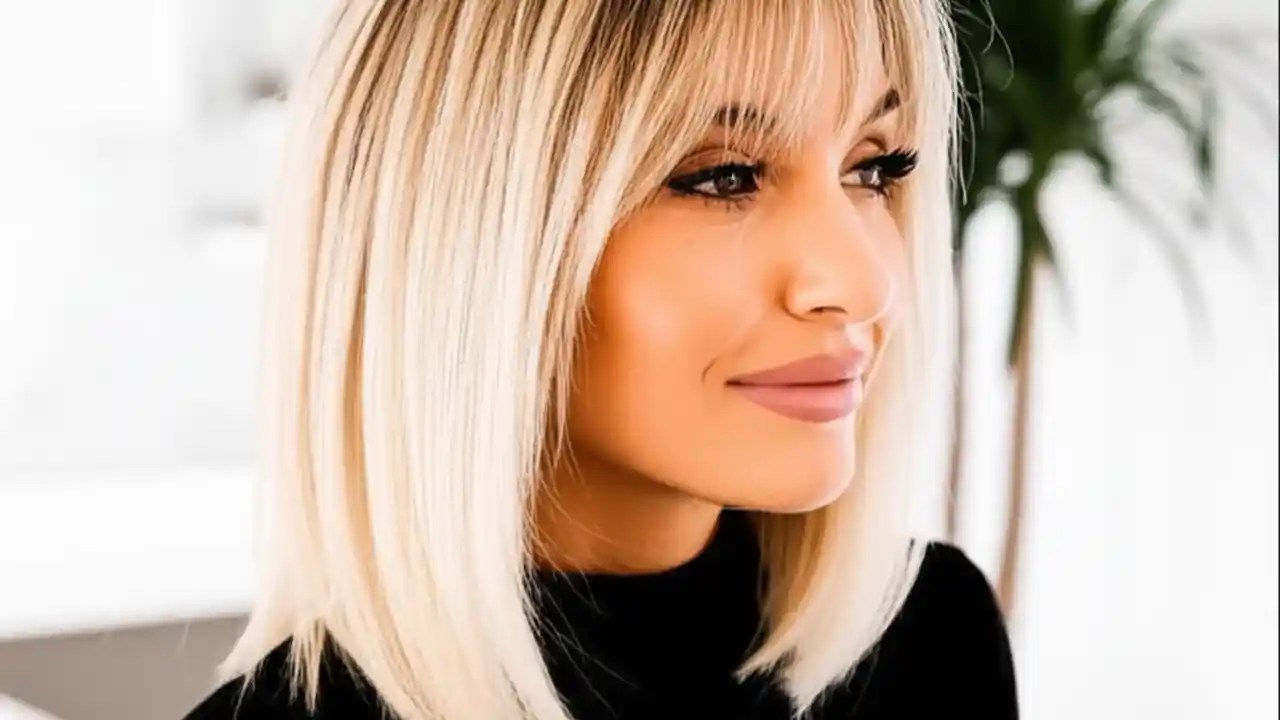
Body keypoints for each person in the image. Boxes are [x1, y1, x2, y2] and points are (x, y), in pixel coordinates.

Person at [185, 1, 1018, 718]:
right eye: (725, 177)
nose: (863, 280)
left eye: (874, 167)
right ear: (469, 239)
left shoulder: (926, 642)